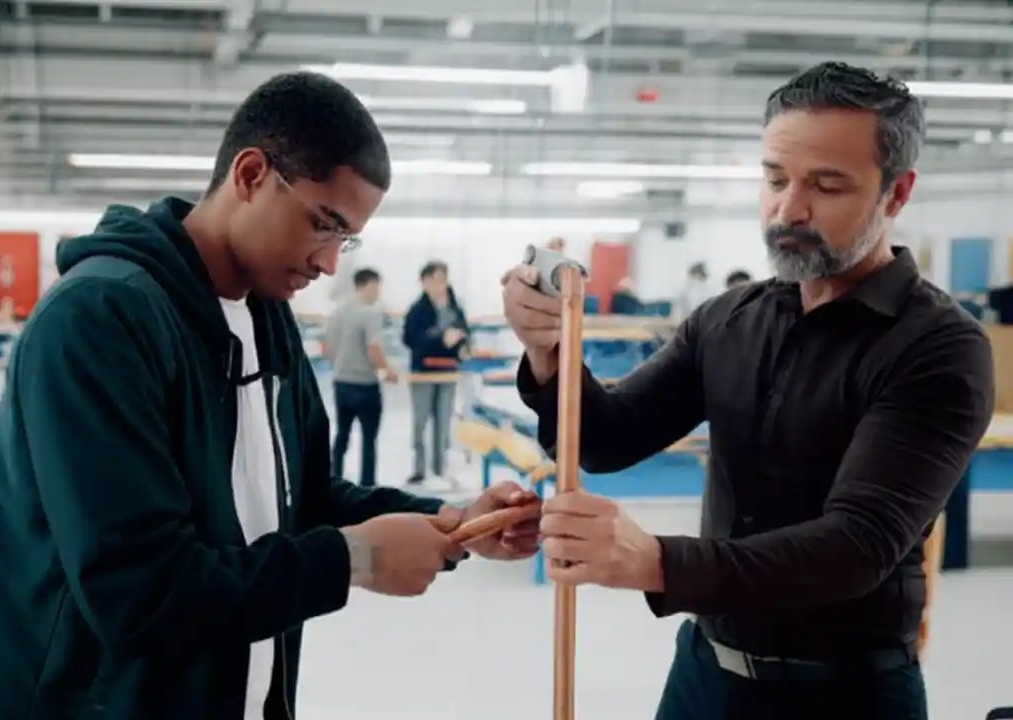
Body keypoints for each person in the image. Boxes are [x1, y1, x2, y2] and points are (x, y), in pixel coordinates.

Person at [0, 72, 540, 720]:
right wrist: (355, 561)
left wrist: (455, 520)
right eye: (323, 225)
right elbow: (138, 592)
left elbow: (302, 499)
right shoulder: (99, 320)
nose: (330, 263)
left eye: (346, 239)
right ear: (251, 176)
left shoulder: (266, 316)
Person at [503, 61, 994, 719]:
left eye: (826, 185)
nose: (789, 210)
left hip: (845, 696)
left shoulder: (939, 348)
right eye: (775, 179)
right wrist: (548, 350)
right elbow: (604, 439)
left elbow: (855, 547)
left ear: (896, 194)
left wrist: (656, 562)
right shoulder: (727, 320)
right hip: (705, 677)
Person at [324, 268, 396, 488]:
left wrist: (341, 366)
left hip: (341, 383)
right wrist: (388, 371)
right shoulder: (370, 313)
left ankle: (333, 481)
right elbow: (374, 350)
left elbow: (327, 349)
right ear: (369, 285)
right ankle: (367, 485)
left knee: (342, 435)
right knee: (368, 439)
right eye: (378, 287)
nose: (379, 293)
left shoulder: (337, 313)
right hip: (365, 385)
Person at [402, 260, 469, 486]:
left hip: (448, 372)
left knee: (443, 422)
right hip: (422, 373)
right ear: (424, 282)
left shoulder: (454, 307)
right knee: (421, 422)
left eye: (443, 279)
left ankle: (440, 469)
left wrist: (462, 343)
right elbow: (410, 339)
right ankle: (419, 470)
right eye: (435, 279)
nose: (441, 285)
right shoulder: (417, 309)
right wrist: (441, 339)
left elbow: (465, 332)